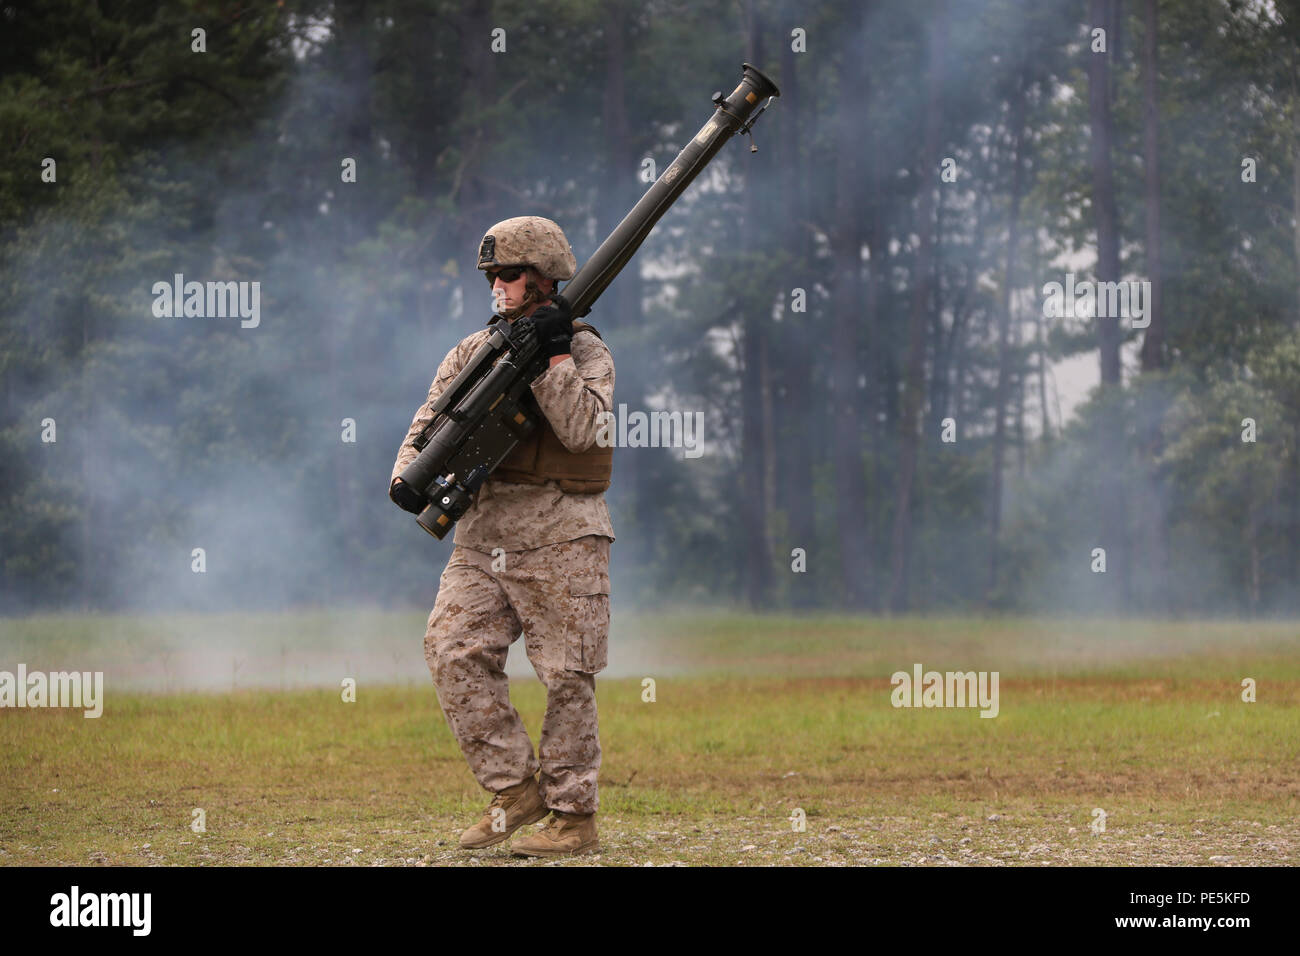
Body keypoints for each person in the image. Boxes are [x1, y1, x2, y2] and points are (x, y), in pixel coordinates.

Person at [389, 216, 614, 857]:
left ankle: (574, 817)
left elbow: (584, 431)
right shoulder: (473, 350)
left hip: (562, 534)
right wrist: (405, 477)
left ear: (543, 279)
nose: (497, 285)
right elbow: (430, 418)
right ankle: (515, 790)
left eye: (510, 274)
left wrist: (556, 359)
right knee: (451, 647)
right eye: (491, 274)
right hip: (484, 537)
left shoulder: (586, 350)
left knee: (566, 675)